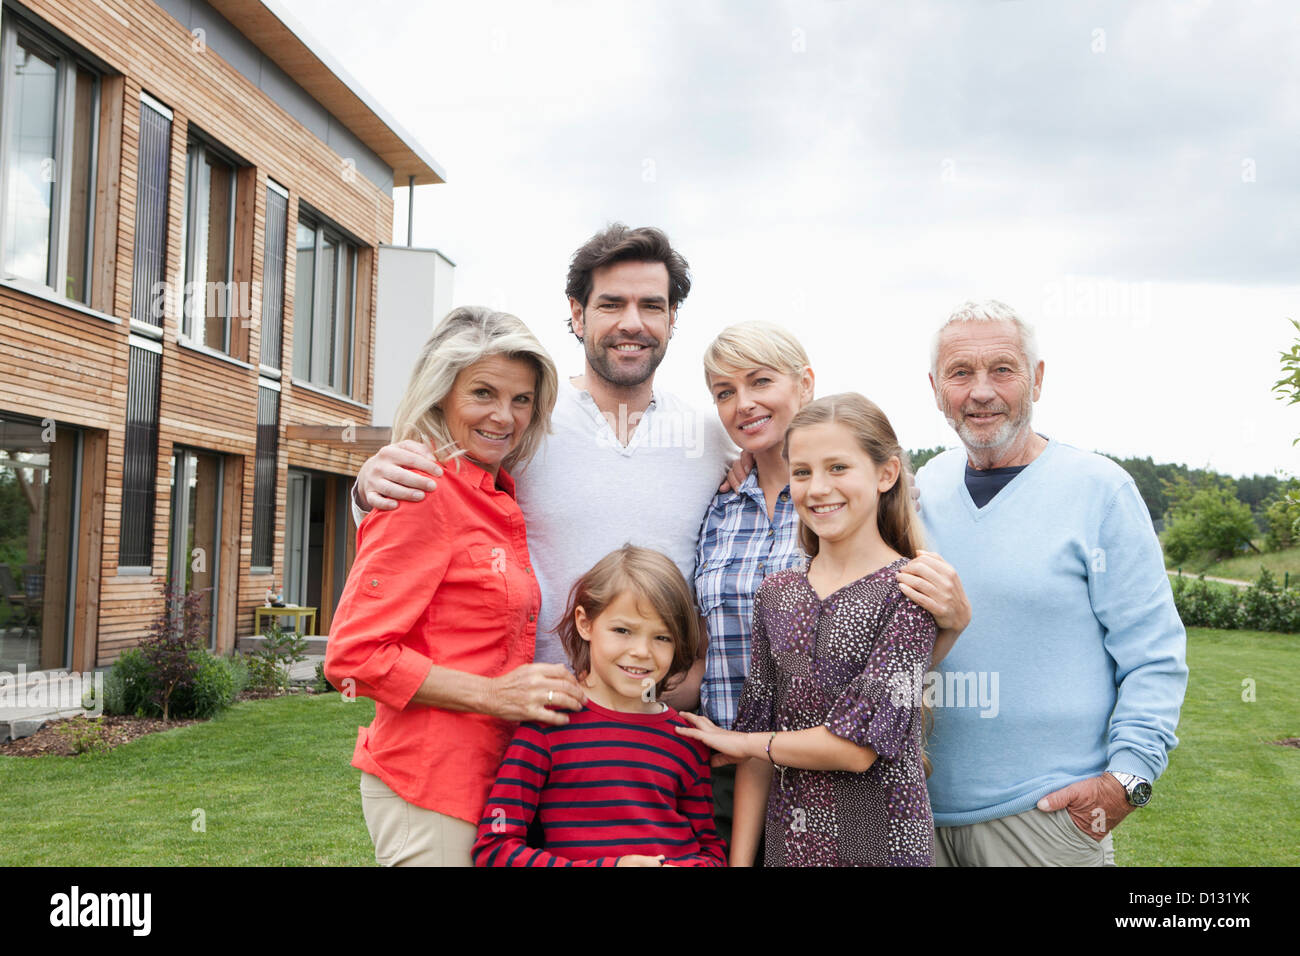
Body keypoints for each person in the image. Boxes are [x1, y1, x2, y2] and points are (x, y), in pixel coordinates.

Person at [350, 225, 735, 701]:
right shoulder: (522, 422)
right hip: (530, 720)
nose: (631, 323)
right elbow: (440, 501)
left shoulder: (713, 440)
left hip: (655, 725)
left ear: (672, 318)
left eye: (651, 305)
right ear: (577, 314)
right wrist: (366, 489)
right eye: (611, 304)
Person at [916, 299, 1188, 866]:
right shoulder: (924, 487)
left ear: (1036, 379)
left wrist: (1126, 783)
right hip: (920, 817)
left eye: (1003, 369)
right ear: (936, 388)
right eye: (961, 373)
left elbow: (1154, 656)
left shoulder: (1100, 491)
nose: (981, 391)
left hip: (1044, 820)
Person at [323, 306, 587, 867]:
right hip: (430, 782)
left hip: (493, 781)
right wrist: (495, 695)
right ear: (442, 394)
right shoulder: (423, 491)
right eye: (483, 394)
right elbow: (353, 658)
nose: (504, 416)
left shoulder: (496, 493)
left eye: (521, 400)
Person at [695, 321, 970, 849]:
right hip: (765, 801)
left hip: (872, 830)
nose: (818, 488)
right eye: (724, 392)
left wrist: (746, 742)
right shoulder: (755, 558)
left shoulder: (904, 583)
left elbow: (859, 740)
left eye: (760, 382)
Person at [472, 545, 728, 867]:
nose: (641, 651)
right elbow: (495, 848)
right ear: (585, 623)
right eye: (623, 631)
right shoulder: (546, 726)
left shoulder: (686, 738)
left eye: (661, 637)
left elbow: (711, 850)